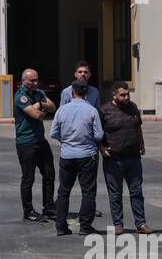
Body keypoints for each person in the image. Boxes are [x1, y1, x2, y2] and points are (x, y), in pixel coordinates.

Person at [50, 79, 104, 236]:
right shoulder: (91, 110)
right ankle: (85, 226)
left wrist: (66, 141)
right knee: (88, 191)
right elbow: (99, 134)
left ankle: (61, 226)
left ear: (72, 92)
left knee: (63, 191)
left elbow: (54, 132)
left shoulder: (62, 110)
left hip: (67, 155)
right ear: (86, 93)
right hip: (87, 155)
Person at [99, 80, 150, 235]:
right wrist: (101, 148)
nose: (126, 97)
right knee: (115, 194)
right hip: (114, 159)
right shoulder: (104, 110)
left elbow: (137, 127)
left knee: (136, 192)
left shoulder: (133, 107)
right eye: (122, 95)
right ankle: (118, 224)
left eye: (127, 94)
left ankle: (141, 224)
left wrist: (141, 143)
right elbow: (96, 133)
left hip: (133, 158)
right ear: (114, 95)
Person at [13, 68, 57, 223]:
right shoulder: (20, 96)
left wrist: (40, 106)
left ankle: (49, 207)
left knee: (49, 174)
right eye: (32, 80)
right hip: (26, 143)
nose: (35, 83)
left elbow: (53, 107)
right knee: (28, 178)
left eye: (36, 80)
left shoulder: (39, 91)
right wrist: (40, 105)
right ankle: (28, 211)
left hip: (40, 141)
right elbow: (36, 115)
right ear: (23, 81)